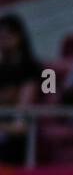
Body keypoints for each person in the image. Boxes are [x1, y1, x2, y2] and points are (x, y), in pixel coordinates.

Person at [0, 13, 40, 165]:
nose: (3, 39)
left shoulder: (35, 69)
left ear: (20, 36)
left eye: (7, 34)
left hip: (20, 133)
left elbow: (22, 123)